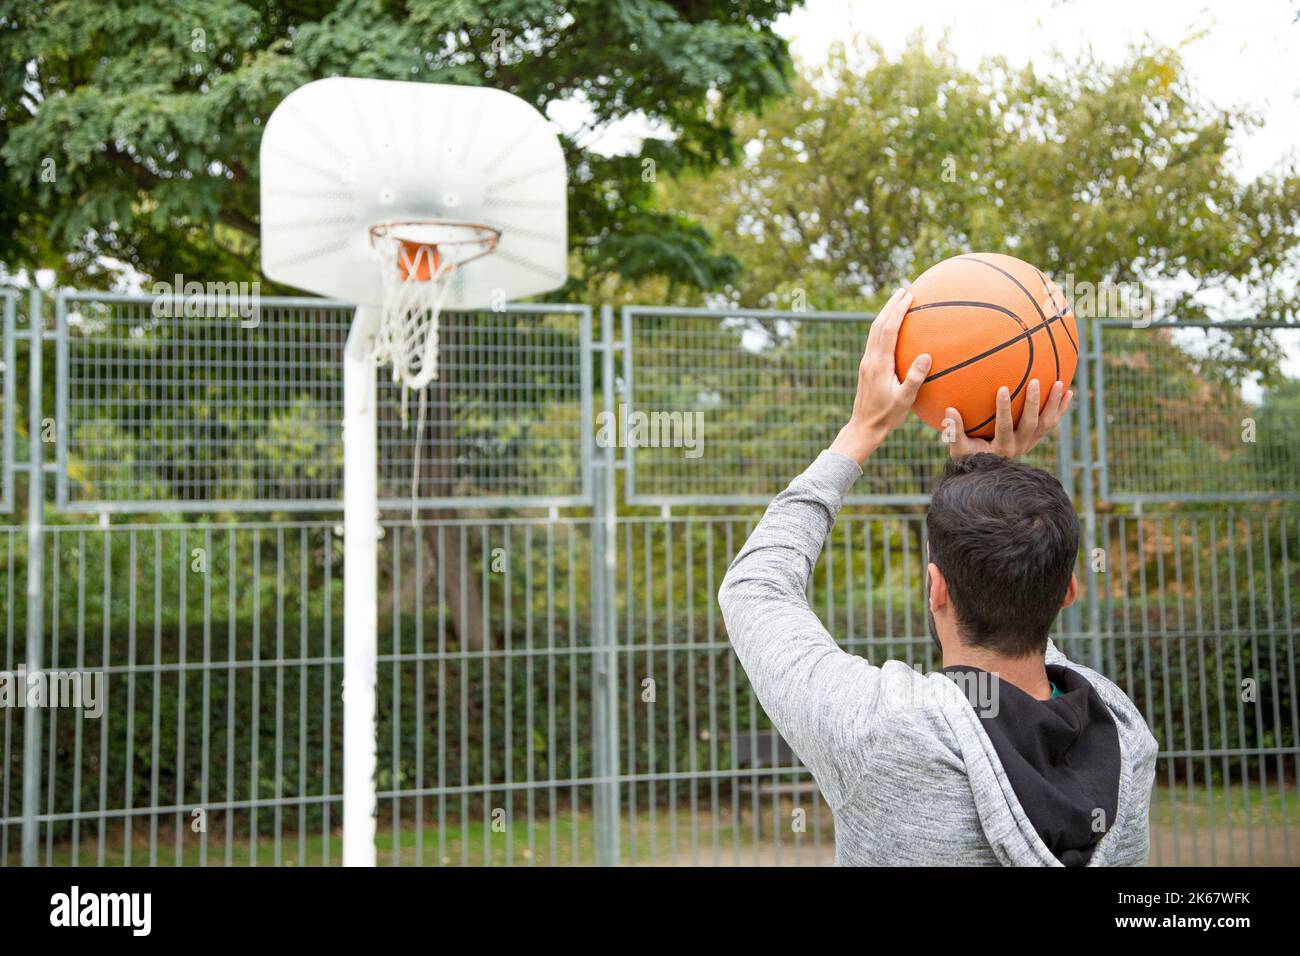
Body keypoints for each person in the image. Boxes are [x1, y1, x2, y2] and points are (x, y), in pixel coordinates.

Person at [718, 288, 1158, 866]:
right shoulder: (1125, 738)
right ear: (1068, 590)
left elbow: (755, 587)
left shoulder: (886, 733)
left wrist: (861, 431)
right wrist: (988, 479)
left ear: (936, 587)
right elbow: (1018, 594)